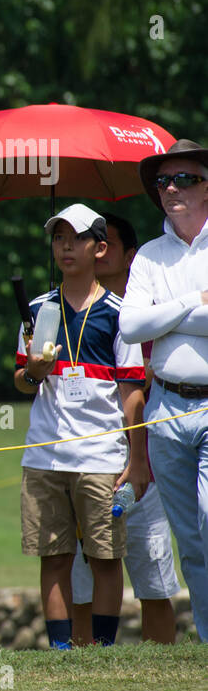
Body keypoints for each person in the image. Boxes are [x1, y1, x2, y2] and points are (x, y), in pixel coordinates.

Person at [16, 204, 148, 649]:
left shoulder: (119, 312)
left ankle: (104, 649)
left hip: (102, 457)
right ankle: (60, 649)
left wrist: (137, 458)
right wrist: (34, 370)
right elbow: (22, 382)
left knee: (105, 558)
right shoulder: (36, 309)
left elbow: (132, 392)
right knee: (53, 557)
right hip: (44, 455)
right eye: (58, 239)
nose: (66, 247)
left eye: (76, 238)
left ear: (100, 248)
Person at [70, 211, 180, 644]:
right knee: (82, 579)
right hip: (84, 460)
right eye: (83, 239)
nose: (95, 249)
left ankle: (162, 661)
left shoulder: (148, 313)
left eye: (106, 241)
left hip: (142, 461)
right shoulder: (67, 311)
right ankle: (80, 664)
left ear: (130, 256)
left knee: (154, 579)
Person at [121, 139, 208, 643]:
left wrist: (166, 312)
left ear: (206, 186)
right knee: (191, 542)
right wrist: (193, 302)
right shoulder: (150, 255)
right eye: (162, 182)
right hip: (164, 409)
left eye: (184, 180)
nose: (170, 189)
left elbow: (146, 320)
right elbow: (131, 327)